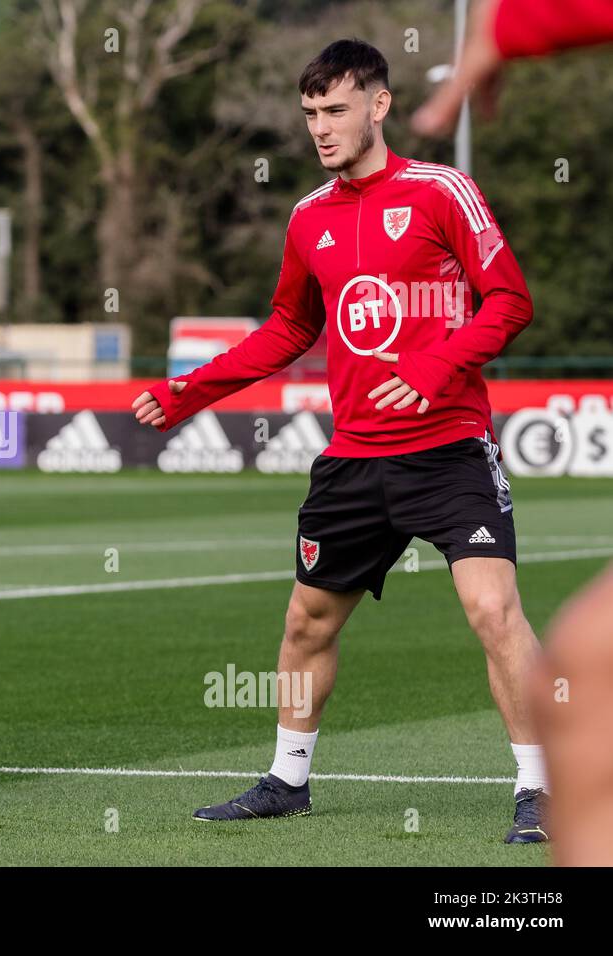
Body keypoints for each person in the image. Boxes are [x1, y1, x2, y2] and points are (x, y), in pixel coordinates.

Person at [133, 40, 544, 841]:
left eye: (336, 110)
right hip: (355, 459)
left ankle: (540, 788)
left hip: (448, 448)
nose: (321, 128)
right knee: (306, 624)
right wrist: (191, 393)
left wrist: (433, 369)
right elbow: (289, 327)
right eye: (311, 114)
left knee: (493, 611)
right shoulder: (308, 217)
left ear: (379, 106)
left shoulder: (441, 192)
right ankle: (288, 780)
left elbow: (508, 301)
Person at [415, 0, 613, 865]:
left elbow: (524, 17)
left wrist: (478, 60)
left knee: (581, 669)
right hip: (365, 453)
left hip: (449, 444)